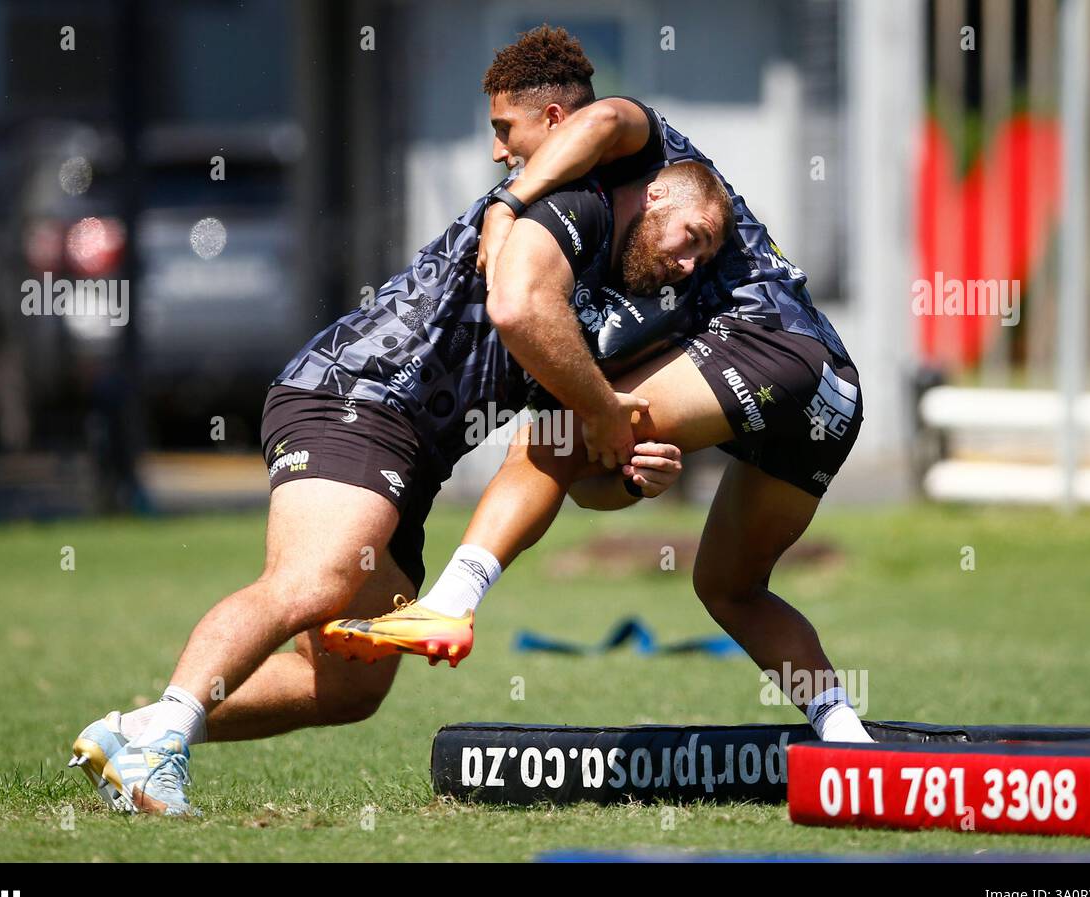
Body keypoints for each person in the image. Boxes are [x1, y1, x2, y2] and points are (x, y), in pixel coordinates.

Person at [68, 137, 733, 815]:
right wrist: (603, 409)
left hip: (411, 461)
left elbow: (550, 461)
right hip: (357, 398)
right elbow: (524, 300)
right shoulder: (570, 211)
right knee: (310, 580)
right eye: (691, 238)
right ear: (655, 193)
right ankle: (160, 754)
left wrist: (626, 474)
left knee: (345, 691)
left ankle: (135, 730)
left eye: (701, 259)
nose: (686, 264)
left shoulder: (608, 301)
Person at [325, 26, 874, 748]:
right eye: (690, 242)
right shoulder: (614, 270)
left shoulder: (653, 155)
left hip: (782, 348)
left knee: (551, 429)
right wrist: (632, 474)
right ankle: (849, 741)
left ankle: (450, 601)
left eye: (505, 131)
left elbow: (607, 119)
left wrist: (507, 202)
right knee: (729, 587)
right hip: (831, 401)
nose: (688, 264)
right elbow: (589, 485)